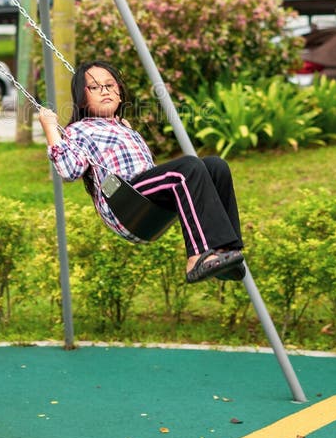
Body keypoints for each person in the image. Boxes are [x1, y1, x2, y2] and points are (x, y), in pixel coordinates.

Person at [38, 60, 246, 283]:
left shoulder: (125, 127)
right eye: (95, 87)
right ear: (82, 97)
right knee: (189, 168)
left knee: (216, 166)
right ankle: (197, 257)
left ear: (119, 94)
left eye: (110, 85)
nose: (105, 91)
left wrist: (124, 131)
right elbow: (69, 171)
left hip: (149, 198)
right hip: (125, 200)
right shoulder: (79, 130)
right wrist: (51, 129)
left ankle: (226, 250)